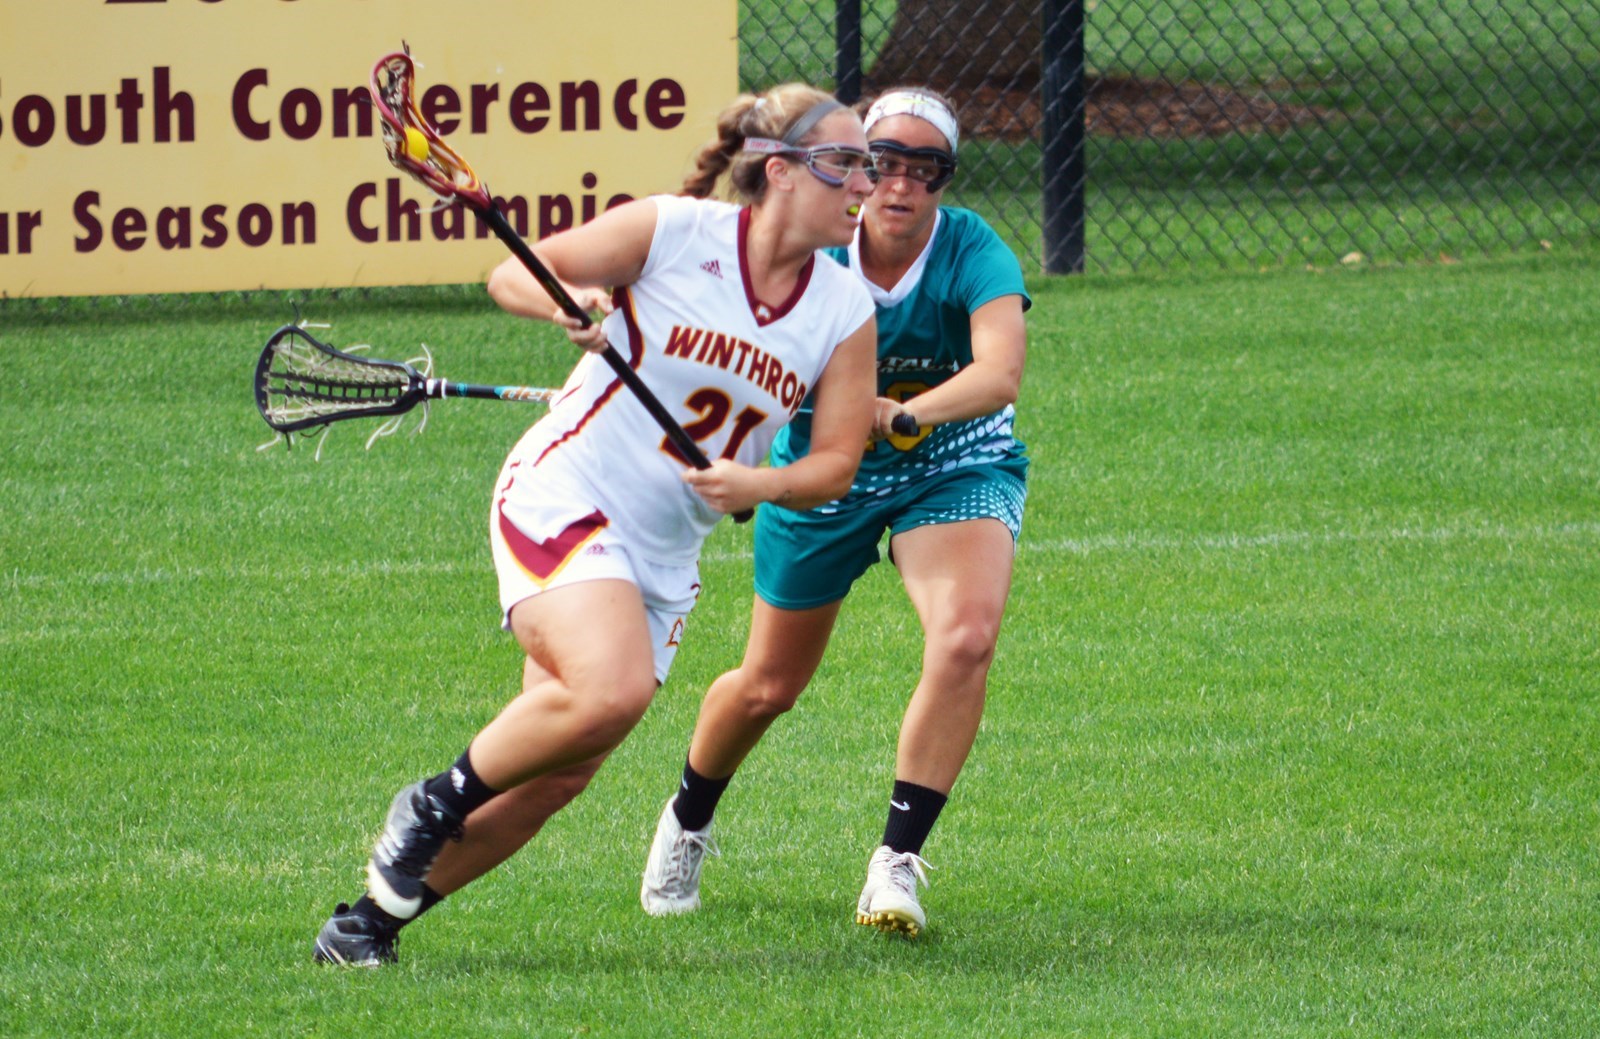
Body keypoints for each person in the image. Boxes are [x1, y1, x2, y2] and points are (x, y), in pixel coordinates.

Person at [311, 83, 879, 966]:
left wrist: (755, 482)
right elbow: (514, 272)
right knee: (609, 691)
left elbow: (836, 462)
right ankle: (432, 803)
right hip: (567, 493)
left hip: (666, 552)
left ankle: (366, 925)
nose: (864, 187)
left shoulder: (844, 310)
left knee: (563, 768)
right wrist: (567, 306)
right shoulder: (677, 230)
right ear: (781, 172)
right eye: (845, 165)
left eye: (867, 169)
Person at [639, 86, 1031, 938]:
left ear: (944, 181)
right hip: (825, 476)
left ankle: (895, 863)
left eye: (925, 171)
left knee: (965, 637)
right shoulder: (819, 254)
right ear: (854, 170)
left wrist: (911, 413)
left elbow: (1000, 372)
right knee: (768, 686)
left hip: (953, 465)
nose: (900, 186)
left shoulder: (972, 248)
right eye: (882, 162)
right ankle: (690, 815)